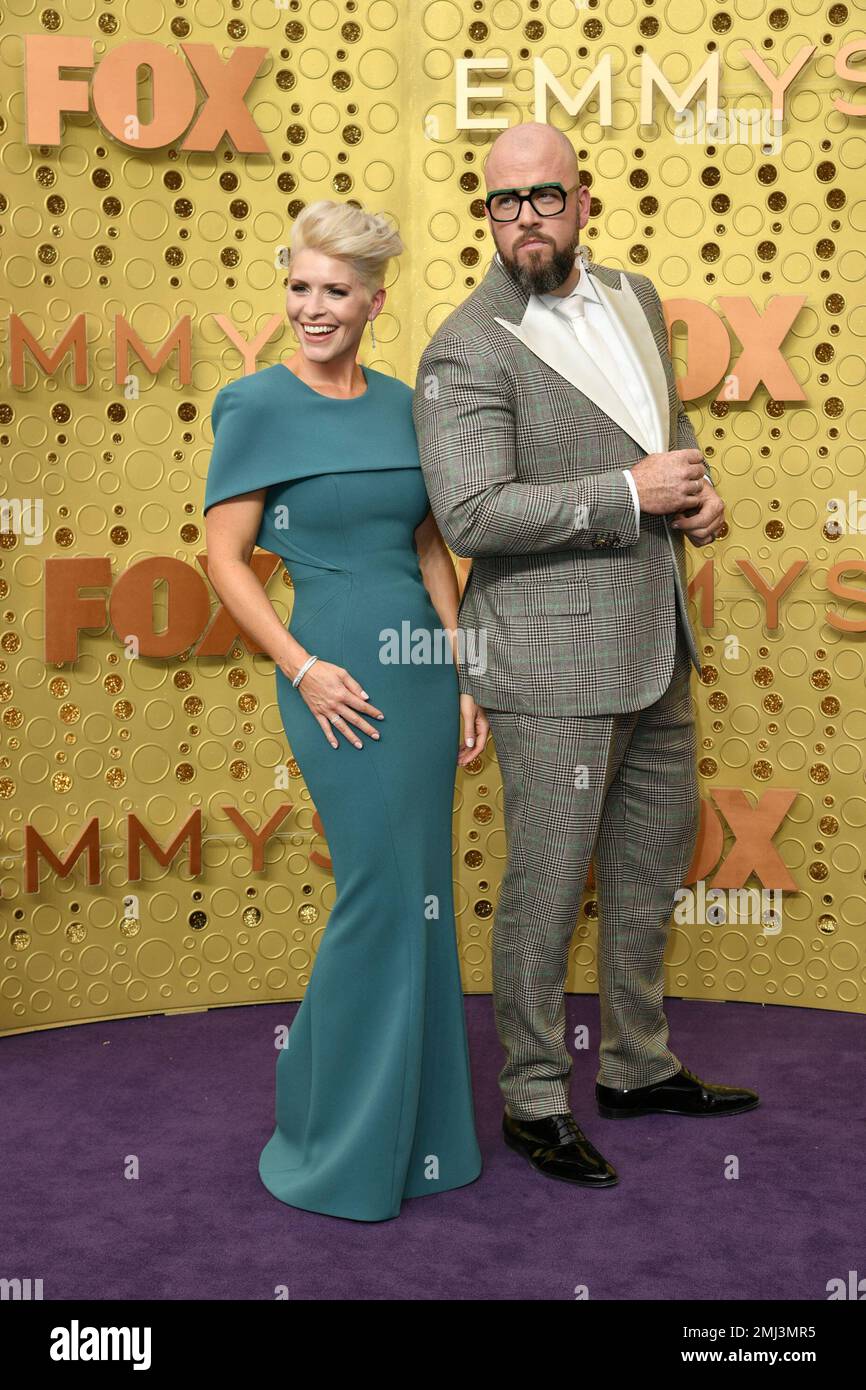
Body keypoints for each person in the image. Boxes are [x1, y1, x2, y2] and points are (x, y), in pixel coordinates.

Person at [412, 122, 759, 1193]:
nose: (523, 219)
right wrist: (627, 497)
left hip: (655, 641)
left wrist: (693, 498)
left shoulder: (638, 298)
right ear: (485, 215)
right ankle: (530, 1097)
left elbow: (662, 435)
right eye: (500, 203)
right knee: (546, 890)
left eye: (542, 197)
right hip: (546, 666)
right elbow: (469, 514)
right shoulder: (463, 345)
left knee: (648, 878)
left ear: (582, 200)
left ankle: (635, 1065)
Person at [203, 199, 487, 1221]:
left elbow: (424, 546)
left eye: (334, 291)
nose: (311, 309)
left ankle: (419, 1137)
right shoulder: (253, 403)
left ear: (372, 299)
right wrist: (302, 665)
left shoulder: (407, 403)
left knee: (423, 894)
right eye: (298, 288)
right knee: (378, 890)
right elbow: (225, 560)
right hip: (334, 677)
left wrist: (461, 670)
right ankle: (332, 1132)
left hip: (415, 671)